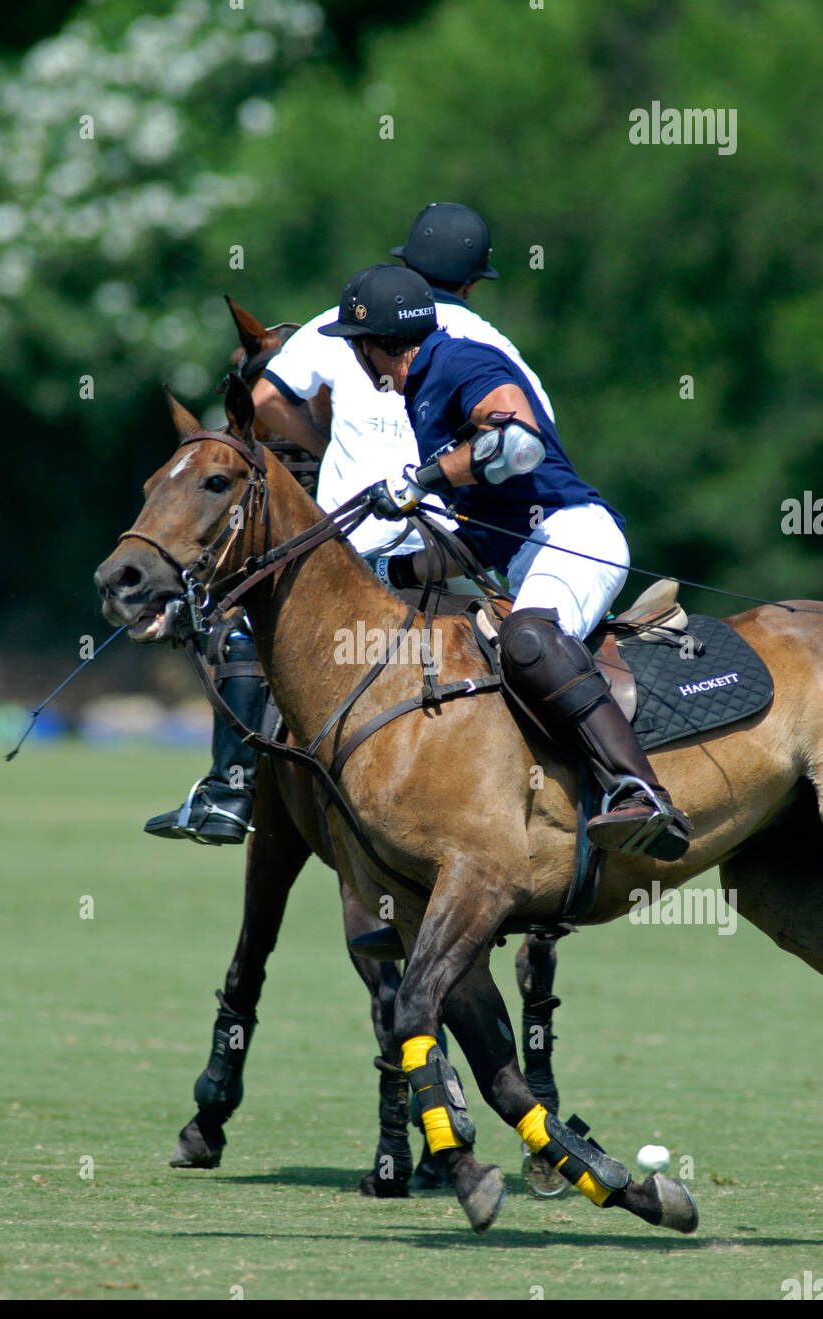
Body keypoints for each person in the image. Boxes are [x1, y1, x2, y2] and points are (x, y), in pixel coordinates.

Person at [145, 203, 556, 845]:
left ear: (405, 271)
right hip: (444, 552)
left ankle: (229, 793)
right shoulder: (497, 350)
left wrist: (321, 443)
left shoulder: (344, 325)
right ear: (475, 282)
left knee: (248, 628)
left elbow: (264, 398)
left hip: (341, 546)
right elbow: (523, 450)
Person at [318, 263, 692, 861]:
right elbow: (478, 541)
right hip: (521, 554)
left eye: (353, 346)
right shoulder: (421, 394)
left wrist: (421, 480)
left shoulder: (461, 362)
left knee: (529, 641)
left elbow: (517, 439)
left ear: (372, 346)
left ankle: (642, 792)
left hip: (576, 537)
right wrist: (389, 574)